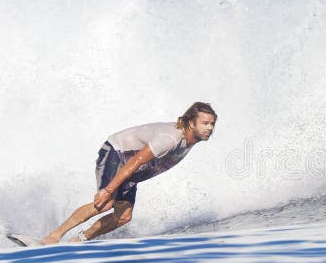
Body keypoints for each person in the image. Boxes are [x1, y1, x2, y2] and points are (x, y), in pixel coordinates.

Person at [41, 102, 217, 244]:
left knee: (124, 217)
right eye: (205, 123)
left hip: (130, 168)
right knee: (106, 203)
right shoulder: (170, 139)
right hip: (116, 152)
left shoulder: (189, 141)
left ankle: (78, 240)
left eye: (212, 124)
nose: (210, 128)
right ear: (191, 123)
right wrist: (108, 191)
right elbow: (136, 160)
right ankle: (54, 236)